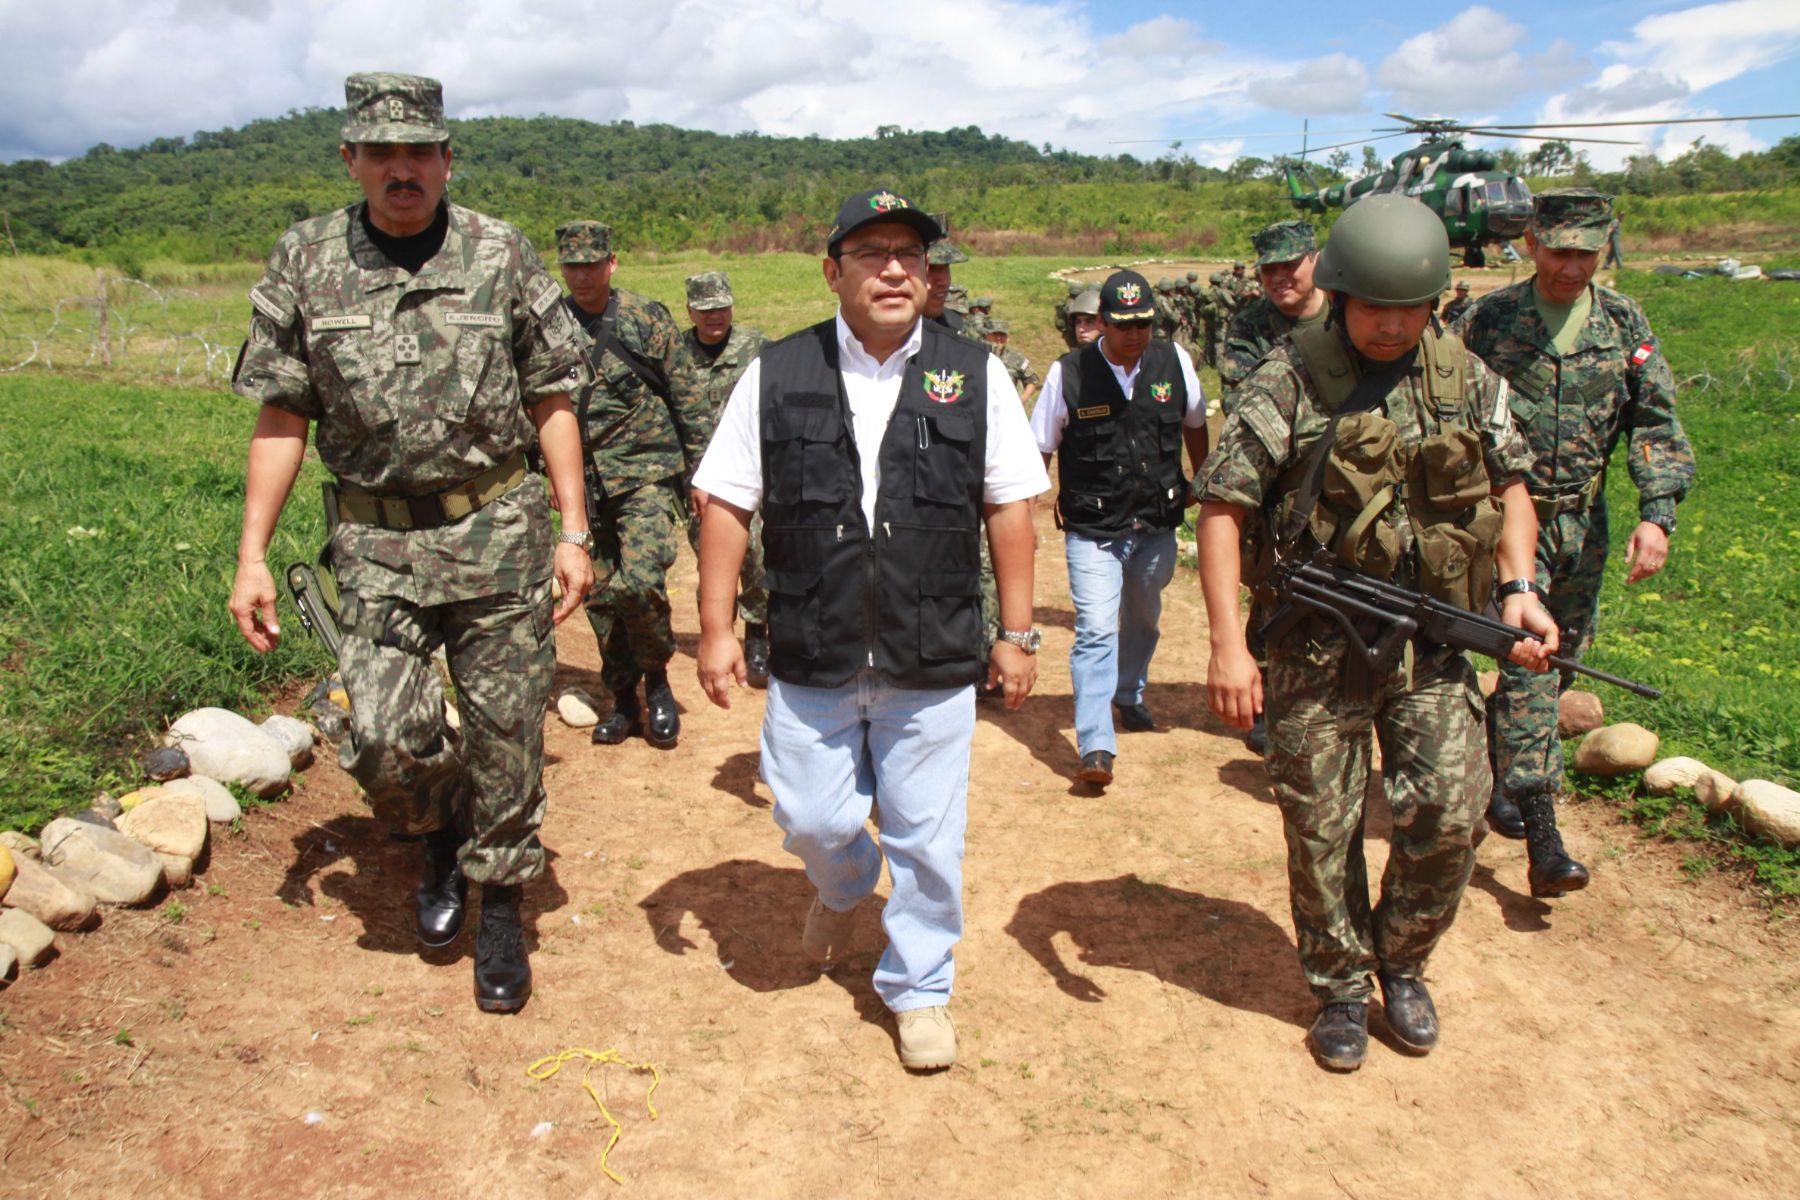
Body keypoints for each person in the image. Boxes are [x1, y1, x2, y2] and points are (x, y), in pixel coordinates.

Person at [226, 73, 593, 1014]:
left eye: (418, 152)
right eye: (380, 153)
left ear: (445, 158)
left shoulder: (500, 252)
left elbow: (553, 396)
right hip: (376, 543)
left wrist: (574, 528)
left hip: (497, 531)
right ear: (350, 158)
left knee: (509, 729)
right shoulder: (305, 260)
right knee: (382, 736)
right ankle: (435, 829)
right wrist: (253, 555)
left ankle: (500, 897)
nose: (402, 170)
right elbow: (281, 413)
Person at [1196, 194, 1560, 1071]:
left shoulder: (1462, 375)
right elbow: (1221, 508)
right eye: (1375, 308)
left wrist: (1516, 588)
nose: (1393, 326)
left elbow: (1511, 484)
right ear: (1343, 295)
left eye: (1412, 309)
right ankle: (1340, 987)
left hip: (1431, 643)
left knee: (1448, 811)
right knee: (1320, 826)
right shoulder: (1287, 377)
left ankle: (1402, 961)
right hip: (1313, 648)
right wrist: (1225, 644)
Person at [691, 189, 1049, 1071]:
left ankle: (920, 988)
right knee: (811, 817)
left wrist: (1017, 632)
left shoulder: (974, 372)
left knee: (928, 837)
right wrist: (715, 626)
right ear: (832, 271)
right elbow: (728, 502)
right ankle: (846, 881)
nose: (895, 268)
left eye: (911, 254)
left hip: (931, 651)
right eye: (872, 253)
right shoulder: (777, 372)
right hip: (813, 645)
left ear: (930, 275)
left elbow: (1010, 505)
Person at [1450, 188, 1694, 897]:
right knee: (1530, 655)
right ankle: (1542, 827)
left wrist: (1658, 513)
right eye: (1559, 251)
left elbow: (1654, 421)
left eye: (1586, 253)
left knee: (1558, 663)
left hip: (1583, 525)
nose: (1571, 267)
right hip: (1498, 520)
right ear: (1530, 242)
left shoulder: (1623, 323)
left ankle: (1503, 769)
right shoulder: (1488, 320)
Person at [1030, 270, 1210, 787]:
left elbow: (1195, 424)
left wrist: (1203, 480)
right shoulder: (1068, 373)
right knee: (1094, 630)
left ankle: (1129, 691)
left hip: (1155, 521)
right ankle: (1095, 745)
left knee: (1144, 617)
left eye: (1144, 325)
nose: (1134, 335)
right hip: (1094, 526)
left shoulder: (1174, 363)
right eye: (1124, 325)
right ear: (1102, 322)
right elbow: (1040, 446)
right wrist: (1022, 512)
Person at [556, 220, 708, 748]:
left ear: (611, 262)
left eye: (591, 264)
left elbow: (688, 395)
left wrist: (701, 474)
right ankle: (623, 697)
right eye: (572, 265)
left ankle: (659, 679)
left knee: (641, 580)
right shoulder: (548, 325)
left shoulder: (644, 318)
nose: (582, 275)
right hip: (584, 483)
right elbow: (533, 403)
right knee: (598, 596)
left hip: (644, 472)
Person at [673, 270, 771, 683]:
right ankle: (717, 634)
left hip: (753, 471)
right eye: (706, 309)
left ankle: (757, 635)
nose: (715, 316)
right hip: (698, 479)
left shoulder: (757, 347)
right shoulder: (674, 353)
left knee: (758, 554)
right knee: (712, 557)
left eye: (722, 307)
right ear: (691, 310)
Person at [1220, 219, 1327, 410]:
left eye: (1289, 264)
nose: (1278, 277)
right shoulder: (1249, 325)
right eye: (1269, 269)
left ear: (1316, 260)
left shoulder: (1346, 311)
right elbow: (1234, 401)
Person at [981, 318, 1040, 403]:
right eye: (995, 334)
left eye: (1002, 335)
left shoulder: (1016, 359)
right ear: (986, 336)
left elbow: (1032, 380)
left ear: (1008, 338)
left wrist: (1023, 399)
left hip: (1006, 410)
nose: (998, 339)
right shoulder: (977, 356)